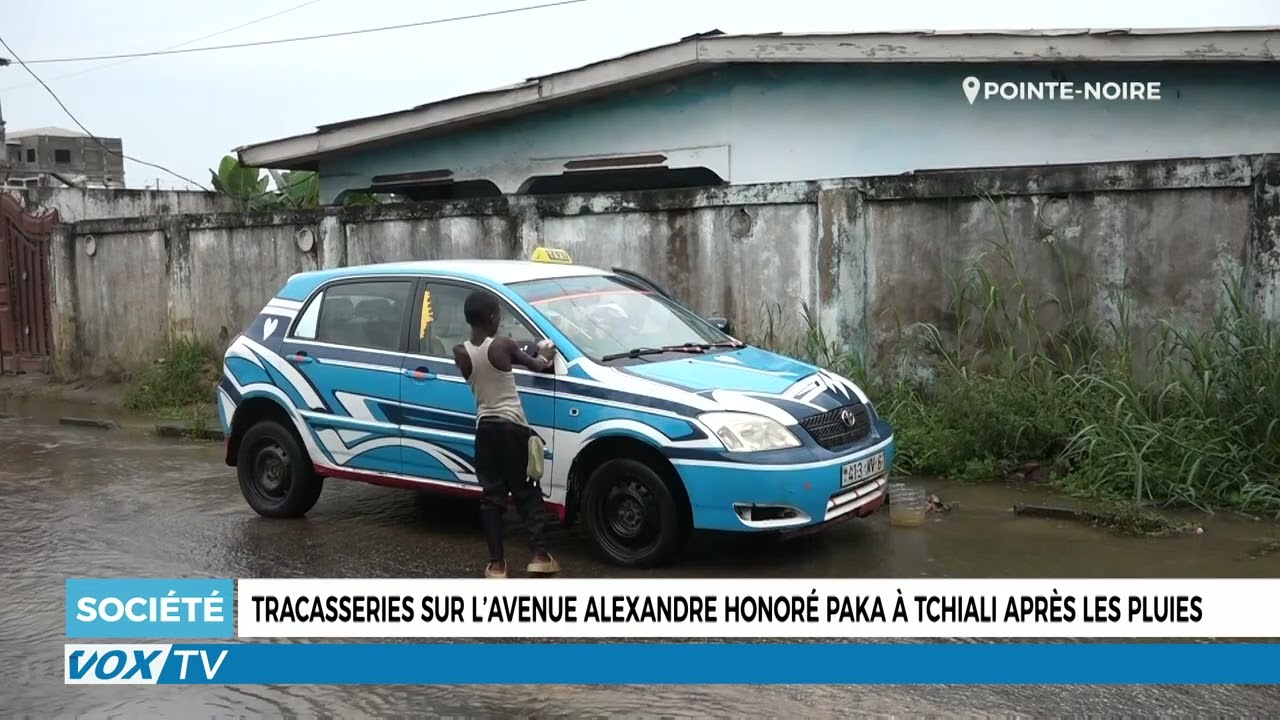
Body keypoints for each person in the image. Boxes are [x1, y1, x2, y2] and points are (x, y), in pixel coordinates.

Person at [454, 290, 561, 579]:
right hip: (513, 426)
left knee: (492, 497)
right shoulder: (503, 344)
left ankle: (497, 564)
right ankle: (540, 556)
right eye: (498, 315)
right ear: (491, 318)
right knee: (527, 492)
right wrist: (546, 352)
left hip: (485, 428)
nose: (500, 320)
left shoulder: (460, 352)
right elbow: (538, 365)